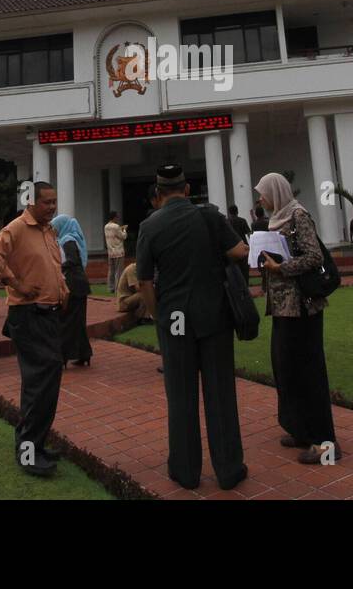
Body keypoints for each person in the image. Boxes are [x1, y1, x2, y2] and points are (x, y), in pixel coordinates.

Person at [136, 164, 248, 491]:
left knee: (181, 396)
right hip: (214, 314)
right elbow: (239, 250)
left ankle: (185, 472)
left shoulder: (149, 225)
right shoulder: (210, 216)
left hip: (174, 318)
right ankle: (228, 469)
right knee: (221, 393)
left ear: (158, 194)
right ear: (187, 190)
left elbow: (144, 280)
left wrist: (159, 316)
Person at [0, 182, 69, 477]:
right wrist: (16, 283)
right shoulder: (17, 227)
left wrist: (63, 288)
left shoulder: (49, 230)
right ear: (31, 202)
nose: (52, 207)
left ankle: (37, 444)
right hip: (29, 315)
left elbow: (52, 266)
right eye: (47, 202)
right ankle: (29, 452)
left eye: (55, 202)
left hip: (48, 315)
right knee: (38, 385)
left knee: (47, 381)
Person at [255, 172, 339, 465]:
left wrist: (281, 268)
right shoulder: (277, 217)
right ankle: (301, 429)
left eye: (263, 193)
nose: (260, 199)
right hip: (282, 307)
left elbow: (314, 257)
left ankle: (325, 443)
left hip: (303, 307)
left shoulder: (298, 215)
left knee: (309, 373)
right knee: (286, 369)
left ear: (275, 192)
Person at [53, 214, 92, 367]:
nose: (54, 231)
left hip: (74, 285)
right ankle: (84, 354)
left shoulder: (68, 239)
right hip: (79, 284)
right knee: (77, 321)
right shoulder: (72, 238)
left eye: (56, 228)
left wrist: (57, 267)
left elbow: (73, 260)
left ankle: (64, 355)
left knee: (67, 320)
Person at [226, 205, 252, 284]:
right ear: (237, 212)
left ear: (229, 212)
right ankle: (246, 287)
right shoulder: (242, 220)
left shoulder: (226, 222)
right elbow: (249, 234)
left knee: (233, 271)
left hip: (232, 248)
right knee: (244, 270)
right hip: (243, 247)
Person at [103, 211, 127, 293]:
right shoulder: (116, 226)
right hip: (118, 251)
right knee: (119, 271)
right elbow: (123, 236)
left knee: (111, 271)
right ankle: (118, 288)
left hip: (110, 252)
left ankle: (111, 288)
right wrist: (124, 229)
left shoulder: (106, 226)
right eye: (117, 217)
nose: (118, 218)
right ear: (114, 217)